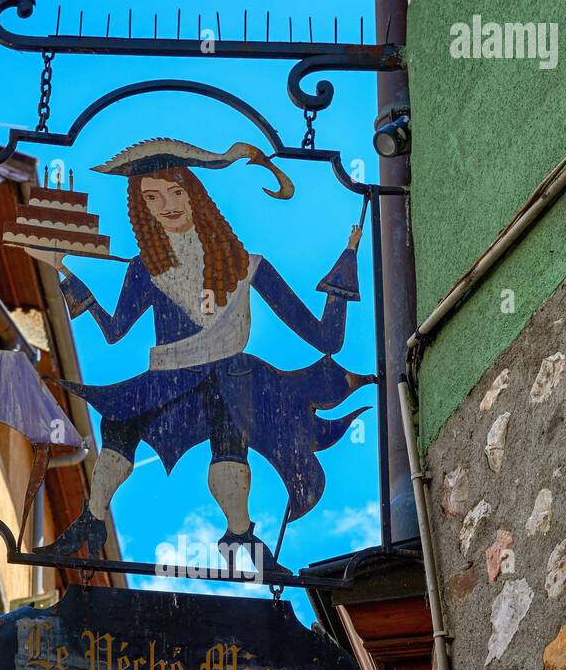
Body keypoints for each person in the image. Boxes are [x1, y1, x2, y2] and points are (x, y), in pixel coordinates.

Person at [34, 138, 370, 576]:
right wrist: (65, 272)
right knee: (118, 422)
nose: (168, 206)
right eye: (152, 199)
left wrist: (344, 270)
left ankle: (238, 539)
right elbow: (115, 332)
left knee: (229, 438)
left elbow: (325, 338)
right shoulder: (144, 269)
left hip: (230, 374)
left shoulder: (249, 266)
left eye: (176, 193)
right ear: (142, 211)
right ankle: (92, 521)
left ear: (196, 195)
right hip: (165, 375)